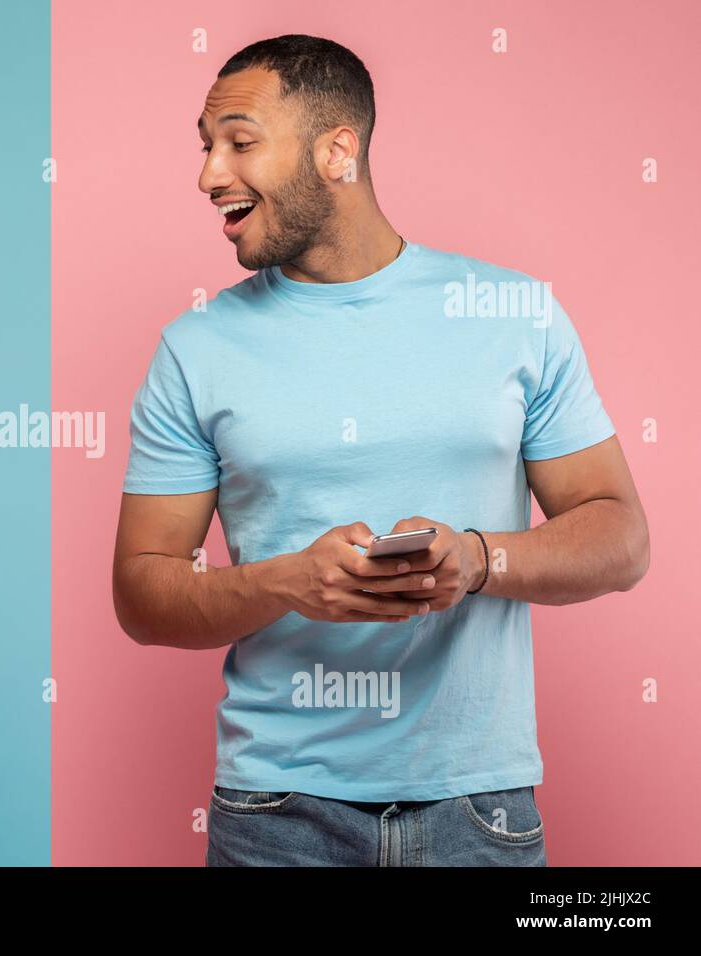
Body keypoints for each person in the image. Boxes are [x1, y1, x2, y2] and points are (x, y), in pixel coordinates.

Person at [111, 36, 650, 866]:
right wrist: (287, 581)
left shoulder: (512, 312)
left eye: (240, 141)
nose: (209, 174)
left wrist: (477, 560)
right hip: (275, 814)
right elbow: (143, 593)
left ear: (338, 150)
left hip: (480, 807)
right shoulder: (196, 348)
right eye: (205, 145)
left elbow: (619, 537)